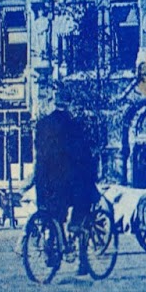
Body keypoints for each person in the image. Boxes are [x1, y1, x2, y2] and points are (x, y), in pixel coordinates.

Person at [34, 89, 98, 275]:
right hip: (69, 182)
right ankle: (83, 261)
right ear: (69, 104)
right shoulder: (74, 125)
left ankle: (52, 246)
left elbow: (39, 153)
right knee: (84, 211)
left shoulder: (42, 124)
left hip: (46, 181)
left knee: (53, 214)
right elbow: (82, 155)